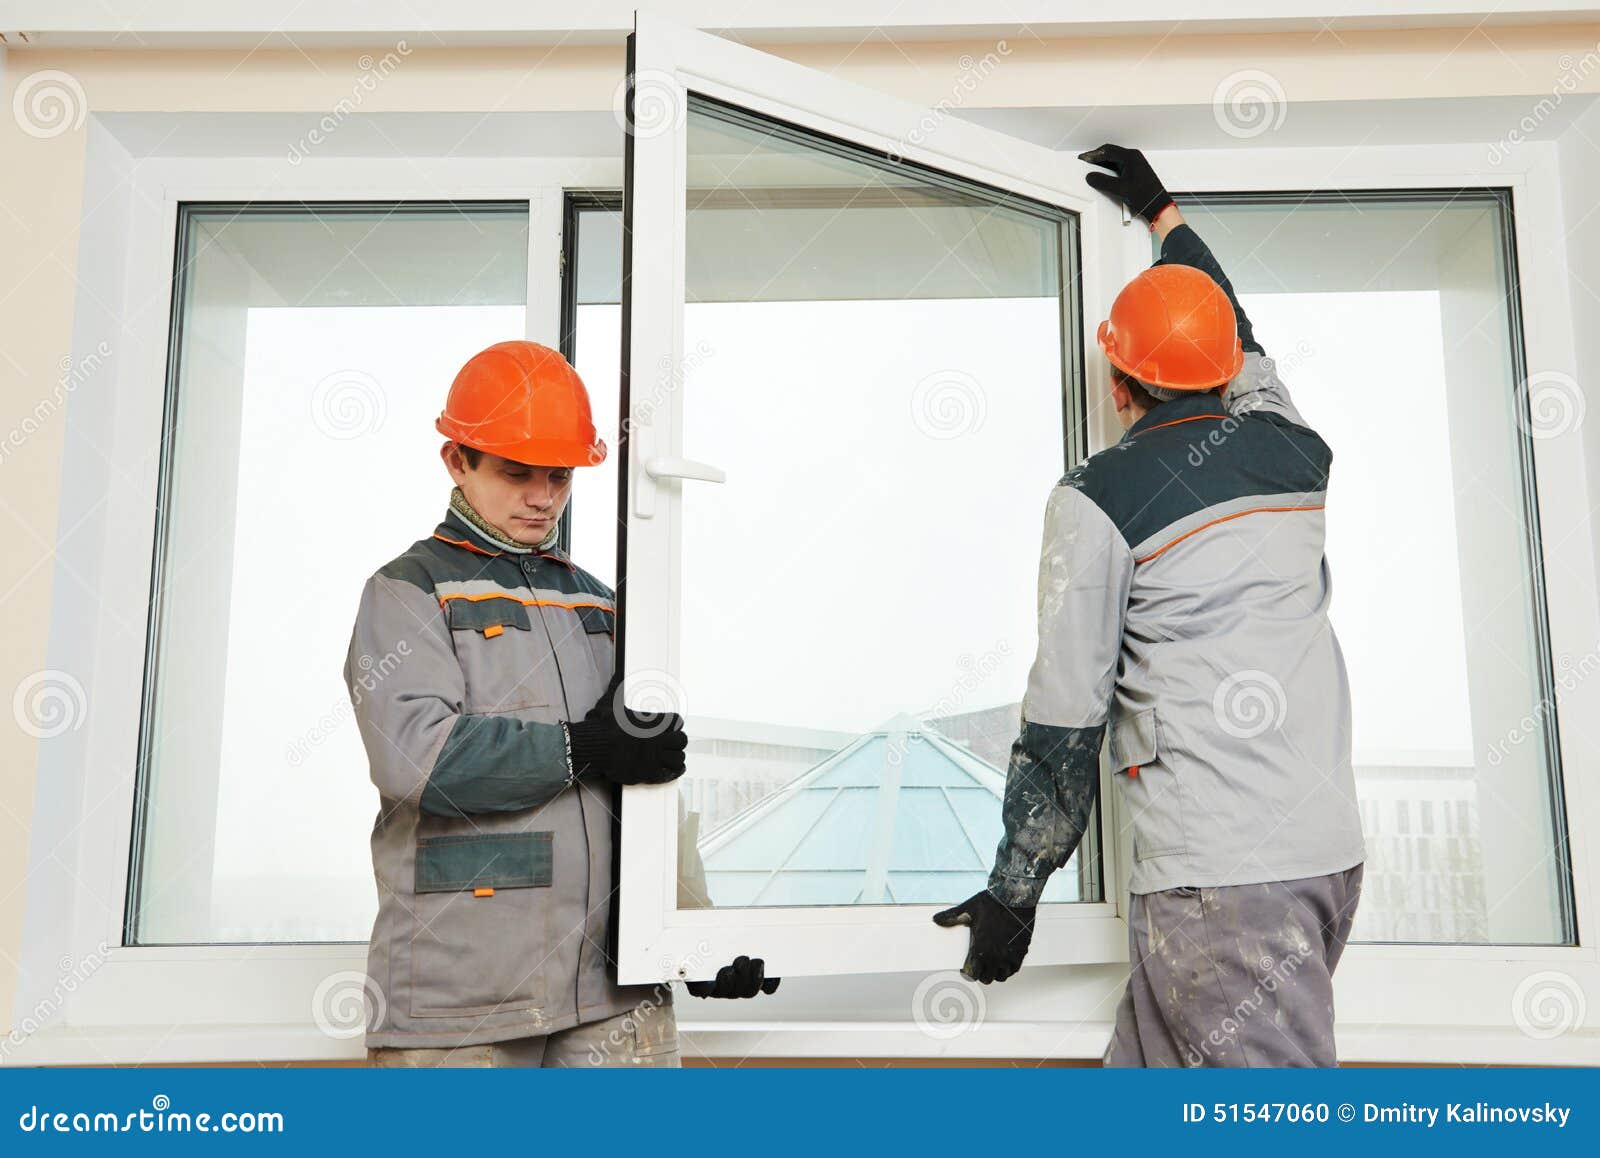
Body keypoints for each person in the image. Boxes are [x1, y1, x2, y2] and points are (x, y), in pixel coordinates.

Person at [934, 145, 1366, 1067]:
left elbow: (1066, 715)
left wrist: (1015, 888)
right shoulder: (1292, 443)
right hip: (1321, 858)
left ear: (1117, 384)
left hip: (1226, 881)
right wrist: (1163, 213)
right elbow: (1233, 327)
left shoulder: (1098, 497)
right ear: (1227, 371)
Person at [343, 340, 775, 1068]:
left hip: (614, 996)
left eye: (559, 476)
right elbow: (418, 761)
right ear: (457, 461)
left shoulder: (600, 604)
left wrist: (691, 936)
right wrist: (584, 747)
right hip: (462, 999)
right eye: (517, 473)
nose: (542, 496)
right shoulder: (408, 592)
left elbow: (649, 789)